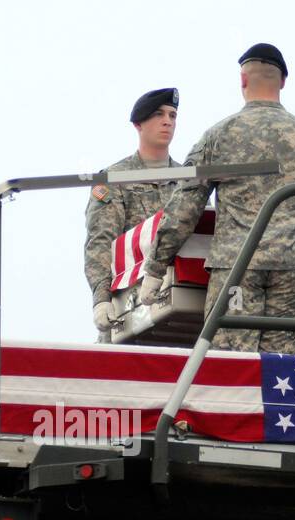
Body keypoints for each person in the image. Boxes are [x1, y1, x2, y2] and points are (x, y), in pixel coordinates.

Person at [137, 43, 295, 354]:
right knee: (284, 373)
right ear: (283, 82)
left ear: (243, 80)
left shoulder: (219, 135)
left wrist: (155, 267)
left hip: (236, 268)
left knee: (231, 366)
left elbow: (186, 206)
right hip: (292, 270)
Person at [84, 88, 182, 342]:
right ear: (139, 124)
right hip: (128, 310)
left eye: (172, 115)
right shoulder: (114, 179)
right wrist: (101, 299)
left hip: (180, 305)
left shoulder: (188, 180)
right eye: (159, 114)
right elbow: (100, 243)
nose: (167, 121)